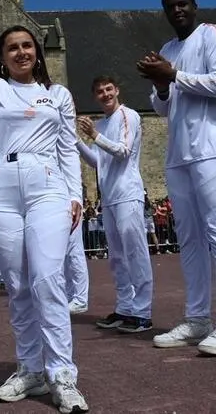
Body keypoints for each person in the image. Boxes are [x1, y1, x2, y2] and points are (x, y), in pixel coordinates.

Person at [0, 0, 89, 414]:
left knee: (48, 278)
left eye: (27, 45)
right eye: (12, 47)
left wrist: (76, 195)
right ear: (2, 55)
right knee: (17, 284)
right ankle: (30, 368)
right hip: (1, 189)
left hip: (47, 183)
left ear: (38, 52)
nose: (21, 52)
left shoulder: (59, 95)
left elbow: (68, 147)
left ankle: (62, 374)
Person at [136, 0, 216, 357]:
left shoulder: (215, 34)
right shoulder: (168, 50)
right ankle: (198, 317)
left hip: (215, 148)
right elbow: (164, 108)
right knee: (190, 238)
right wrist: (161, 85)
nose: (177, 10)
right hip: (179, 153)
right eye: (170, 6)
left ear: (195, 6)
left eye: (183, 4)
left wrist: (173, 74)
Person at [75, 76, 155, 333]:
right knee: (117, 257)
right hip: (108, 198)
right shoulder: (101, 123)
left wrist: (94, 135)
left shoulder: (128, 116)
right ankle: (124, 307)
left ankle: (142, 312)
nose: (105, 94)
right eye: (100, 91)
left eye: (109, 89)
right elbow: (97, 162)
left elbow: (123, 151)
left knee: (136, 252)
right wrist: (76, 140)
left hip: (128, 193)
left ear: (117, 90)